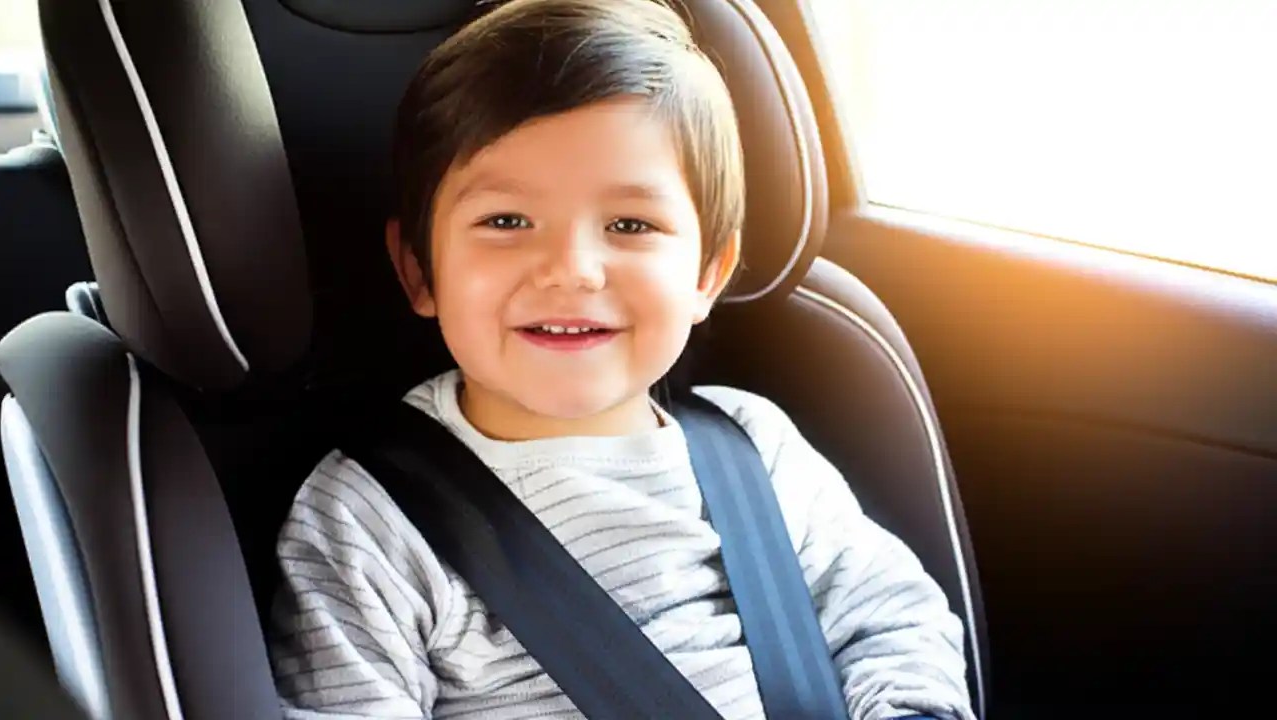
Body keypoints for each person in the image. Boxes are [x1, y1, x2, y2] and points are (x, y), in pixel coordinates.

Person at [266, 1, 974, 718]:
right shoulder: (369, 518)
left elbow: (889, 623)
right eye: (506, 221)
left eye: (630, 224)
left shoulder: (756, 448)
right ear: (419, 270)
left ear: (707, 274)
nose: (572, 269)